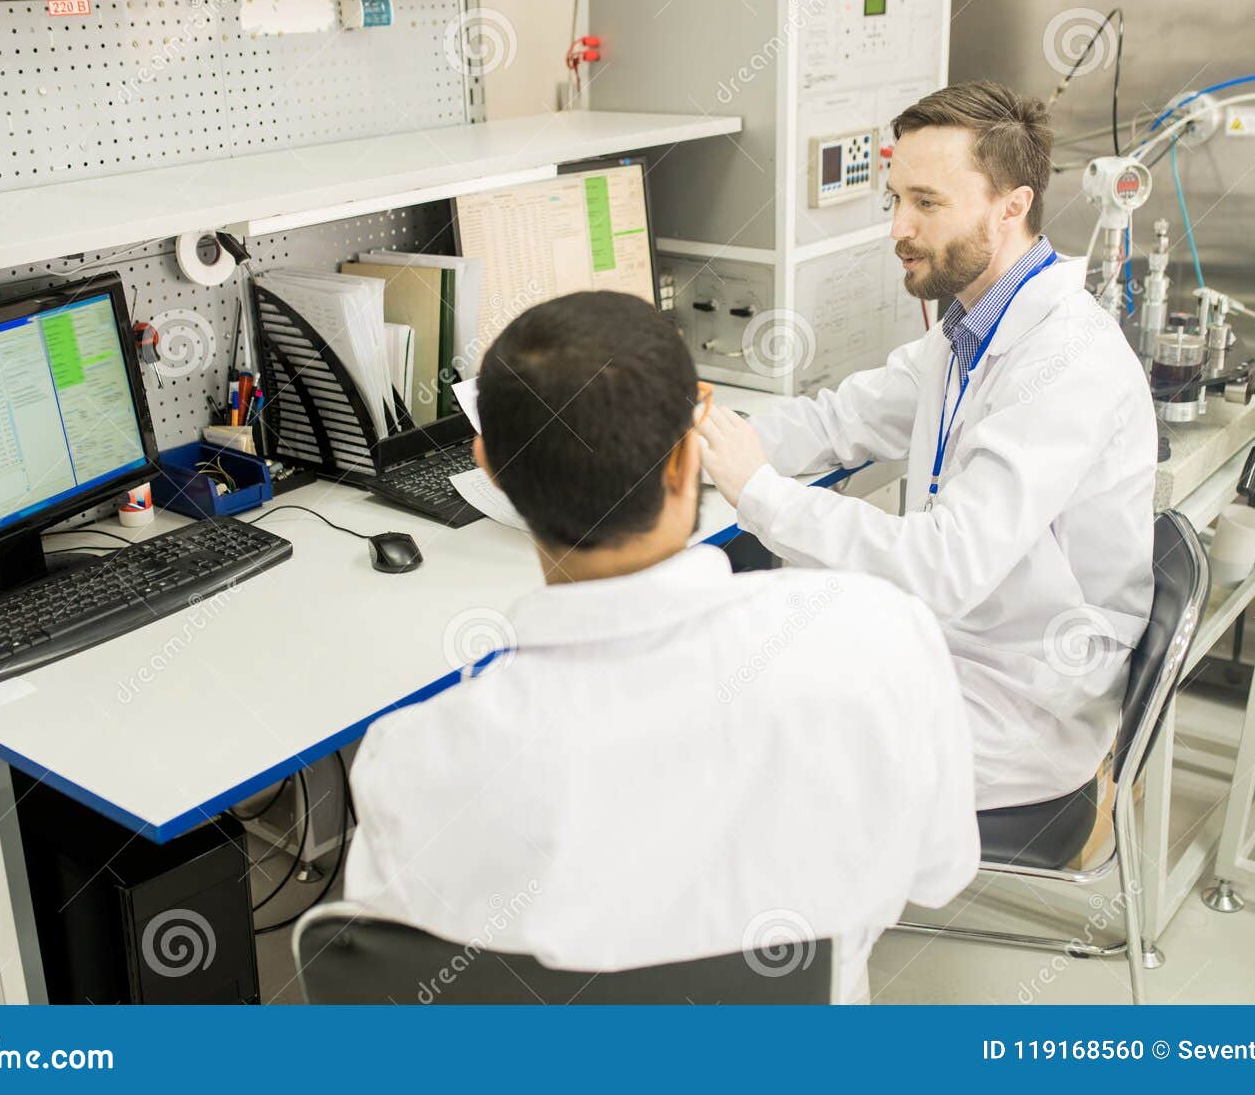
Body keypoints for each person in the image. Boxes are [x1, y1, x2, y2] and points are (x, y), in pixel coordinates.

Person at [343, 290, 978, 1004]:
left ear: (492, 469)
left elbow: (394, 996)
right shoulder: (879, 639)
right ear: (689, 458)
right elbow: (939, 871)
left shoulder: (412, 762)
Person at [698, 80, 1157, 811]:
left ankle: (798, 919)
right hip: (961, 644)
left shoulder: (1066, 363)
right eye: (895, 199)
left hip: (1023, 700)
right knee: (734, 654)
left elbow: (945, 566)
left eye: (927, 203)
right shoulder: (973, 328)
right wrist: (693, 435)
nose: (898, 228)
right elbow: (836, 421)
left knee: (742, 734)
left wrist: (760, 492)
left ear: (1013, 206)